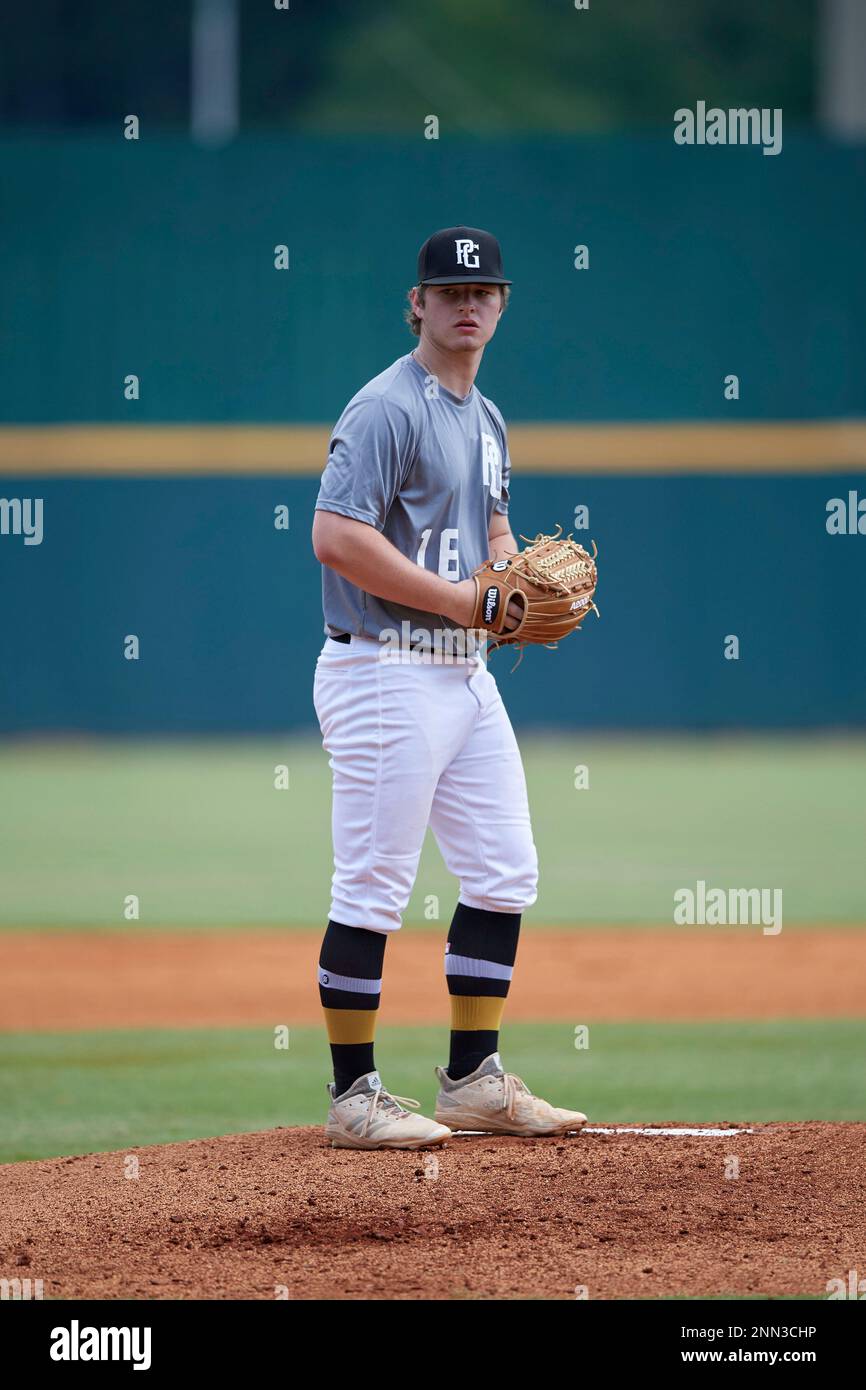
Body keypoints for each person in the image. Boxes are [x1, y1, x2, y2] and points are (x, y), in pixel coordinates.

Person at [311, 225, 587, 1149]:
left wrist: (514, 579)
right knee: (375, 887)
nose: (469, 304)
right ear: (417, 303)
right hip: (382, 667)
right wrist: (469, 601)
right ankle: (355, 1096)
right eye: (450, 292)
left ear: (502, 305)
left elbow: (494, 529)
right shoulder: (385, 408)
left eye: (486, 292)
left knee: (506, 870)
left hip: (461, 676)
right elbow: (337, 538)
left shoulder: (488, 415)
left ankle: (472, 1080)